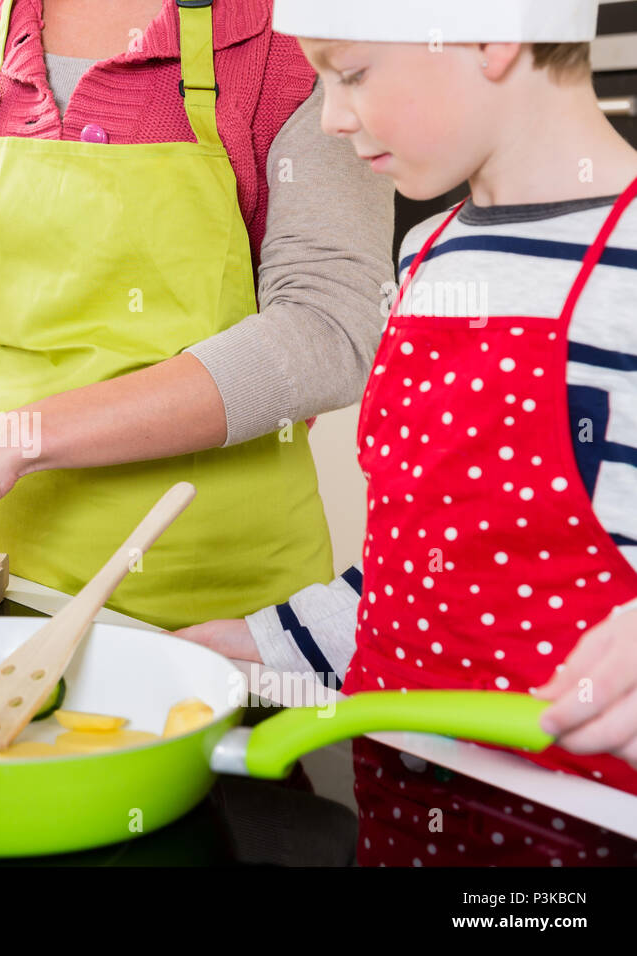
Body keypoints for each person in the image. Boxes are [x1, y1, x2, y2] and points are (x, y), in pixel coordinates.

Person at [0, 0, 394, 630]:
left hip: (209, 608)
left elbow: (327, 330)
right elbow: (14, 288)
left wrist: (8, 444)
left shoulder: (290, 33)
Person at [179, 0, 637, 865]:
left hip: (583, 838)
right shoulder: (429, 256)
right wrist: (258, 645)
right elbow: (424, 572)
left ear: (490, 35)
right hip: (403, 811)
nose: (330, 115)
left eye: (350, 73)